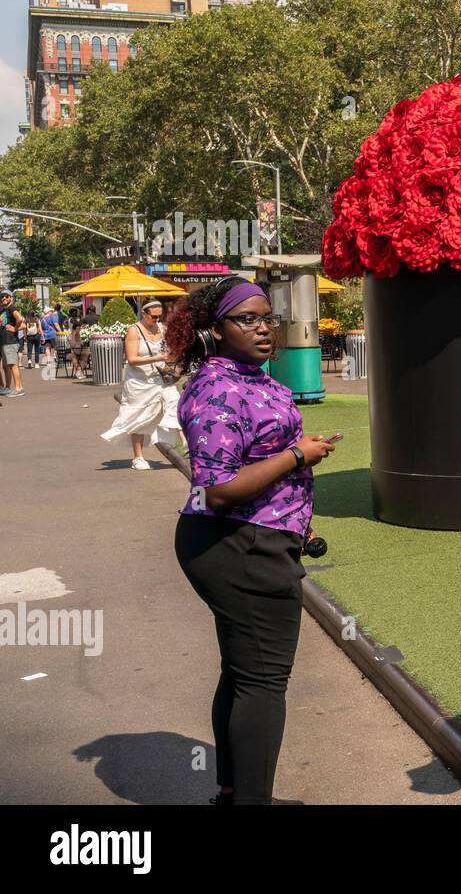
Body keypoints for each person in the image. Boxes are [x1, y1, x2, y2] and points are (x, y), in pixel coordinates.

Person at [168, 277, 334, 805]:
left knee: (242, 675)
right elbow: (217, 490)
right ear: (215, 330)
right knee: (263, 682)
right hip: (237, 544)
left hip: (257, 538)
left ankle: (235, 792)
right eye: (247, 319)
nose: (264, 328)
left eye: (268, 318)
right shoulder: (219, 389)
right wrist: (297, 456)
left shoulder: (253, 379)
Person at [101, 299, 181, 469]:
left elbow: (169, 349)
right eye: (154, 317)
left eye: (160, 316)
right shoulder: (134, 330)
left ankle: (186, 444)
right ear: (144, 314)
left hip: (160, 378)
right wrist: (158, 358)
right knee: (139, 417)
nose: (157, 320)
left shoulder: (162, 329)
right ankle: (138, 458)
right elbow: (132, 359)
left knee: (175, 403)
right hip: (139, 381)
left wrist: (171, 354)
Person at [0, 291, 25, 397]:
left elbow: (20, 320)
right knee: (8, 366)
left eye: (6, 296)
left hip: (10, 342)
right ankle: (9, 388)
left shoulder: (11, 309)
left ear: (11, 298)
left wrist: (14, 328)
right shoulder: (4, 311)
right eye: (2, 297)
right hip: (5, 342)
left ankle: (19, 388)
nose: (4, 298)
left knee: (13, 365)